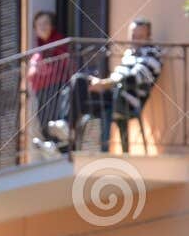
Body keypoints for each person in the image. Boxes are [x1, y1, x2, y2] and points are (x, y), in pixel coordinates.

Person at [51, 19, 164, 153]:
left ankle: (64, 138)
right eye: (133, 36)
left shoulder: (152, 53)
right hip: (113, 94)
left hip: (126, 101)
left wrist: (104, 84)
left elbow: (133, 78)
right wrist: (100, 84)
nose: (135, 40)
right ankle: (63, 135)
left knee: (78, 92)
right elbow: (118, 78)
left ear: (149, 37)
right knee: (77, 83)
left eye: (140, 36)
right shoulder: (130, 53)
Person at [27, 10, 71, 152]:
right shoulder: (39, 48)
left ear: (52, 26)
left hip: (57, 87)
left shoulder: (59, 43)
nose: (42, 27)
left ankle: (61, 148)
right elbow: (32, 75)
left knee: (55, 120)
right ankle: (51, 145)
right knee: (44, 120)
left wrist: (42, 71)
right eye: (39, 25)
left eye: (45, 23)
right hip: (41, 90)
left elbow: (64, 66)